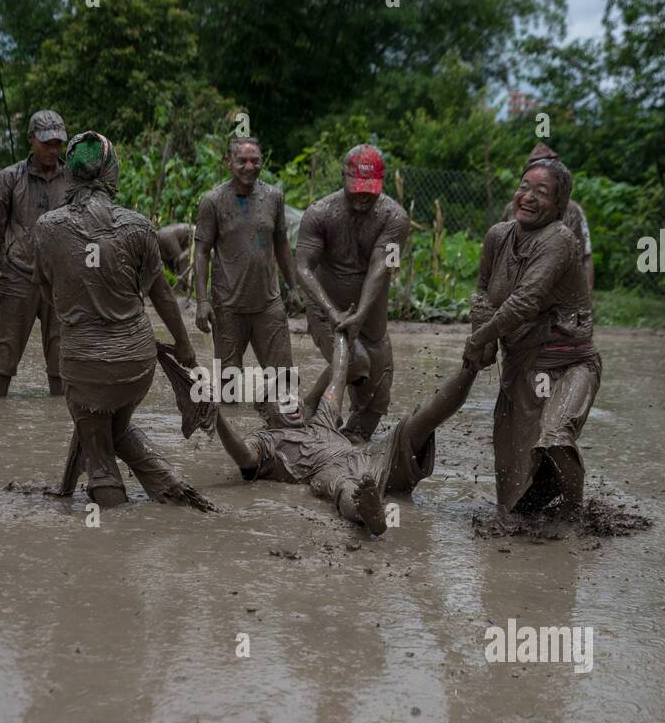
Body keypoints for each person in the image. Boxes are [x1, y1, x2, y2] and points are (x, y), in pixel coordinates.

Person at [34, 131, 207, 510]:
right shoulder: (139, 227)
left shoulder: (47, 228)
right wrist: (186, 347)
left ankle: (114, 534)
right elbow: (160, 293)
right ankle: (176, 493)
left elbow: (46, 291)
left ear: (71, 175)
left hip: (84, 363)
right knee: (116, 428)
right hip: (135, 364)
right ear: (111, 173)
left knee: (99, 451)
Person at [214, 327, 477, 535]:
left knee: (413, 423)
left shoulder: (321, 418)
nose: (291, 400)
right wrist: (216, 417)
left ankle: (471, 368)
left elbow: (339, 374)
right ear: (263, 411)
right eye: (279, 397)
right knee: (345, 489)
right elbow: (244, 458)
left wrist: (342, 335)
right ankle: (371, 515)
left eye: (292, 393)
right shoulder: (265, 439)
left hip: (372, 459)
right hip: (329, 473)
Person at [464, 156, 599, 519]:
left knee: (555, 438)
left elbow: (525, 301)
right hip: (520, 369)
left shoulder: (559, 240)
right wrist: (483, 331)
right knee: (512, 494)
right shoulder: (497, 236)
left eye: (542, 192)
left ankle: (576, 519)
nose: (528, 196)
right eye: (524, 187)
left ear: (558, 206)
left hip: (569, 364)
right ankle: (531, 523)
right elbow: (481, 292)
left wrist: (480, 338)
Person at [294, 143, 410, 442]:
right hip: (326, 308)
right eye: (356, 187)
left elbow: (381, 268)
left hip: (372, 316)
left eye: (369, 189)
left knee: (376, 399)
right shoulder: (319, 213)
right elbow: (303, 268)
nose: (362, 196)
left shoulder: (395, 217)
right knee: (356, 363)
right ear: (343, 178)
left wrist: (360, 314)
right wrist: (332, 312)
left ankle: (347, 447)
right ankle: (312, 404)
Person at [193, 136, 299, 401]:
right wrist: (202, 301)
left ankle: (285, 437)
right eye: (242, 161)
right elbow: (202, 251)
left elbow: (282, 244)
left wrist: (294, 287)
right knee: (229, 392)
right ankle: (229, 442)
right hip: (228, 307)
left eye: (255, 160)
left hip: (268, 303)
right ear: (229, 162)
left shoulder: (274, 197)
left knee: (284, 383)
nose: (249, 166)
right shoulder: (213, 201)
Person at [0, 110, 69, 397]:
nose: (53, 149)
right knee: (6, 350)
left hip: (60, 278)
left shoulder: (73, 179)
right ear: (31, 140)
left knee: (61, 355)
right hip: (19, 272)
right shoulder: (9, 178)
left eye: (58, 143)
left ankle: (58, 422)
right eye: (46, 143)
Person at [501, 143, 595, 290]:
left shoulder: (572, 211)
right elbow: (500, 252)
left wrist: (585, 297)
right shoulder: (512, 207)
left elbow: (584, 257)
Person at [156, 222, 193, 289]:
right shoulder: (159, 242)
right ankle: (179, 283)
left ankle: (183, 285)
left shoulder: (166, 236)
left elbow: (181, 257)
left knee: (182, 258)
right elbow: (167, 261)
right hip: (182, 240)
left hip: (194, 236)